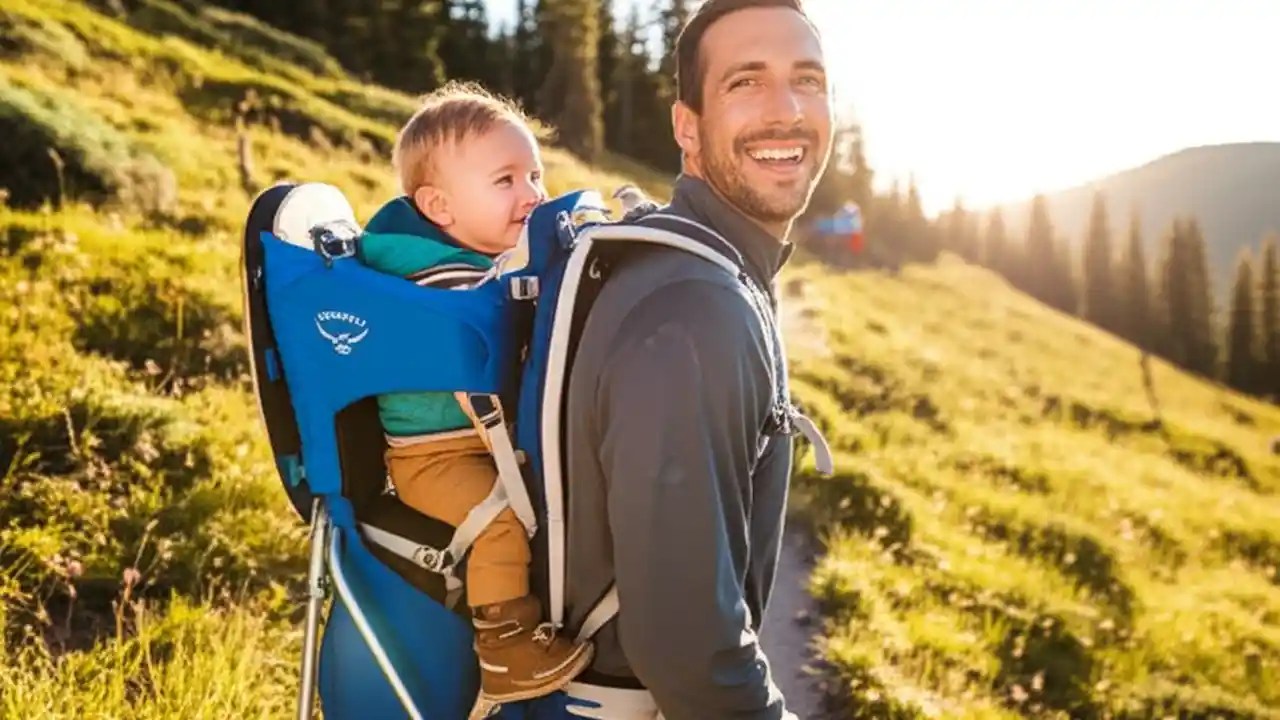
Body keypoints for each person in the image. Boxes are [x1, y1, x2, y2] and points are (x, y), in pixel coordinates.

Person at [561, 1, 834, 718]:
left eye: (807, 80)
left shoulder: (702, 267)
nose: (787, 111)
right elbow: (692, 654)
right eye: (746, 83)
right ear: (688, 127)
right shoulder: (696, 310)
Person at [356, 80, 593, 706]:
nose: (532, 194)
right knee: (501, 521)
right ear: (439, 207)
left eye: (534, 175)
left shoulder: (480, 260)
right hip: (431, 460)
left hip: (477, 443)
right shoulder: (433, 280)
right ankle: (506, 649)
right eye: (506, 180)